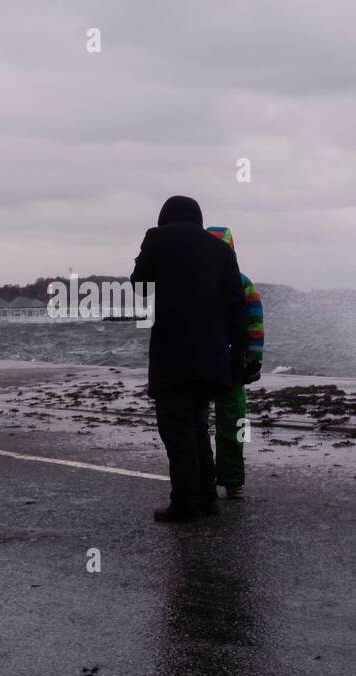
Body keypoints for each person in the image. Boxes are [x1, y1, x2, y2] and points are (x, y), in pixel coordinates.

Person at [131, 196, 247, 522]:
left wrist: (148, 255)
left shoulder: (157, 237)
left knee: (177, 429)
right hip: (212, 357)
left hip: (174, 354)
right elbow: (236, 304)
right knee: (198, 426)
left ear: (164, 216)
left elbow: (139, 284)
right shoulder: (221, 250)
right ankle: (208, 498)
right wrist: (238, 353)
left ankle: (184, 503)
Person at [204, 226, 264, 498]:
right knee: (232, 422)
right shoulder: (243, 282)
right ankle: (232, 481)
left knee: (197, 423)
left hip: (203, 362)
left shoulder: (196, 281)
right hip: (232, 363)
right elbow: (255, 324)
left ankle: (204, 479)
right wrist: (254, 358)